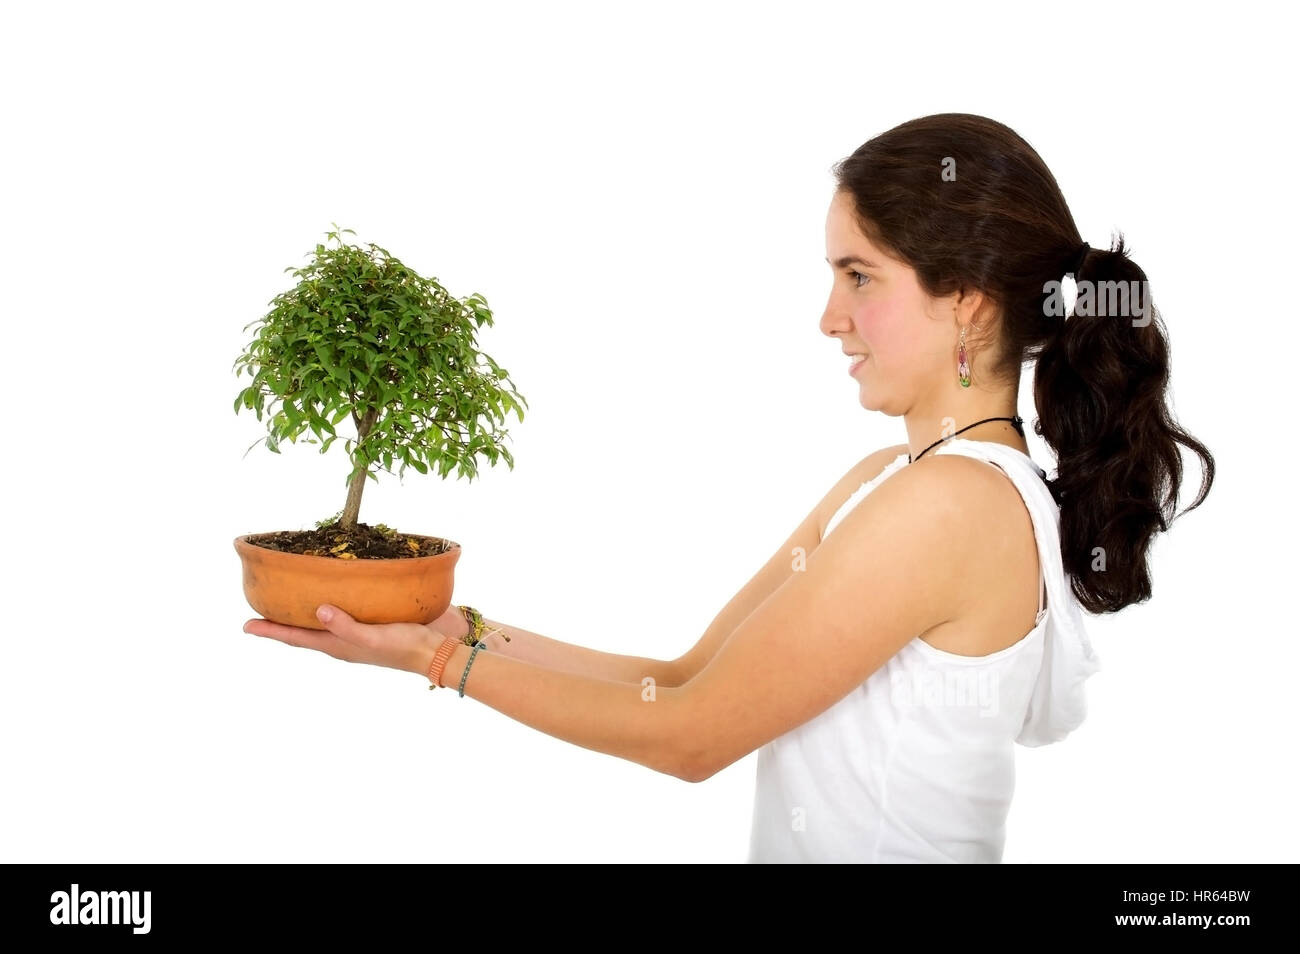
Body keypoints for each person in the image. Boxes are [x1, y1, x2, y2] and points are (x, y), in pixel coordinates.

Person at [242, 113, 1215, 863]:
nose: (827, 316)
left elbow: (691, 737)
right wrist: (464, 633)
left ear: (963, 300)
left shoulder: (954, 506)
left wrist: (432, 667)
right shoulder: (894, 481)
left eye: (859, 276)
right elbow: (685, 676)